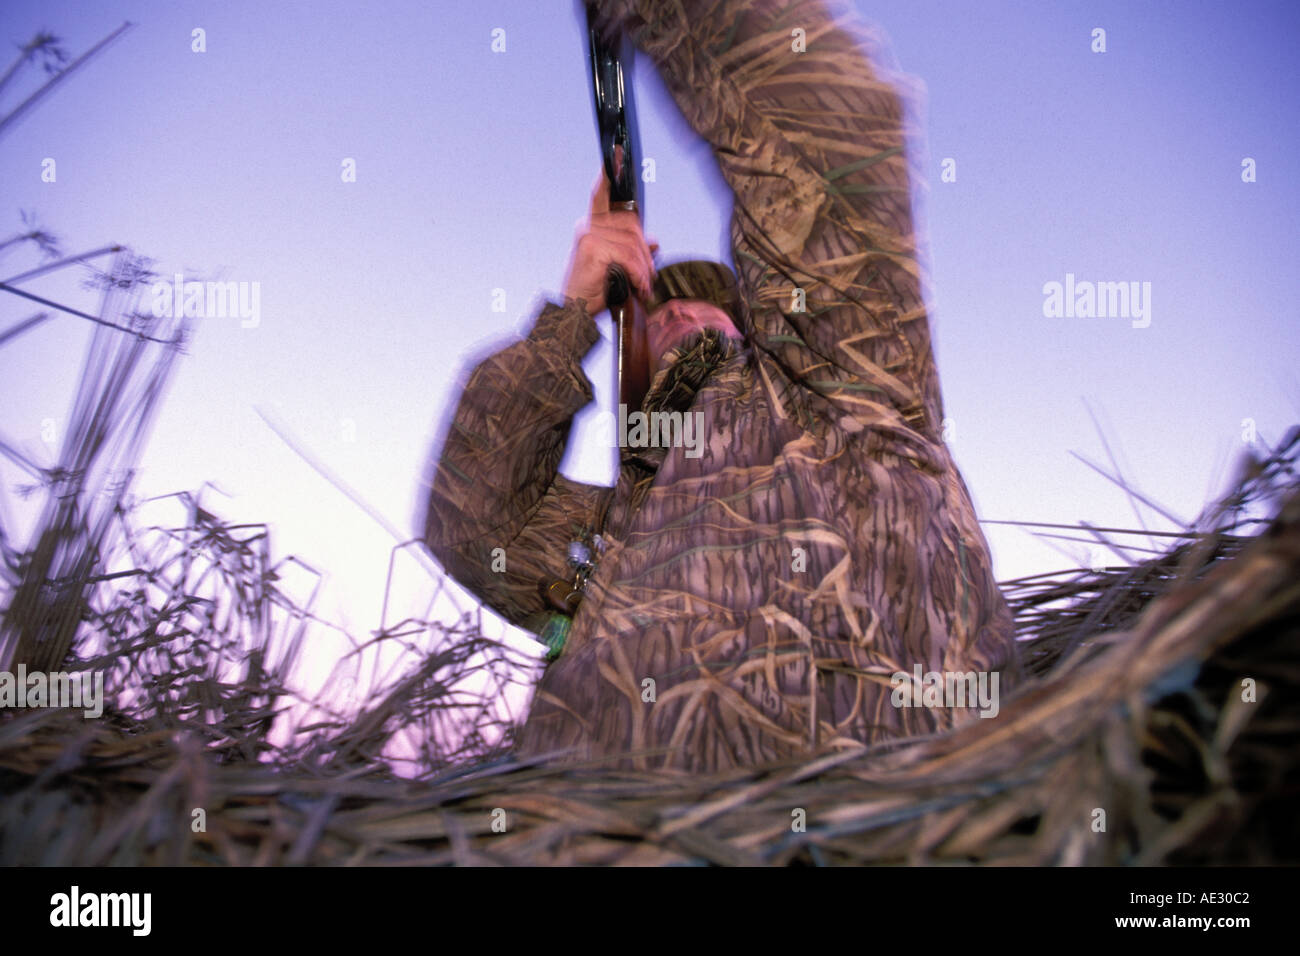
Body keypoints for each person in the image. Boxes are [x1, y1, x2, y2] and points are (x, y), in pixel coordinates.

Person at [421, 0, 1022, 772]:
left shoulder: (844, 379)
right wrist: (571, 317)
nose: (677, 312)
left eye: (705, 300)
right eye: (659, 306)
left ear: (754, 321)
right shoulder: (607, 539)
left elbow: (826, 150)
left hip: (905, 830)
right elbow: (469, 527)